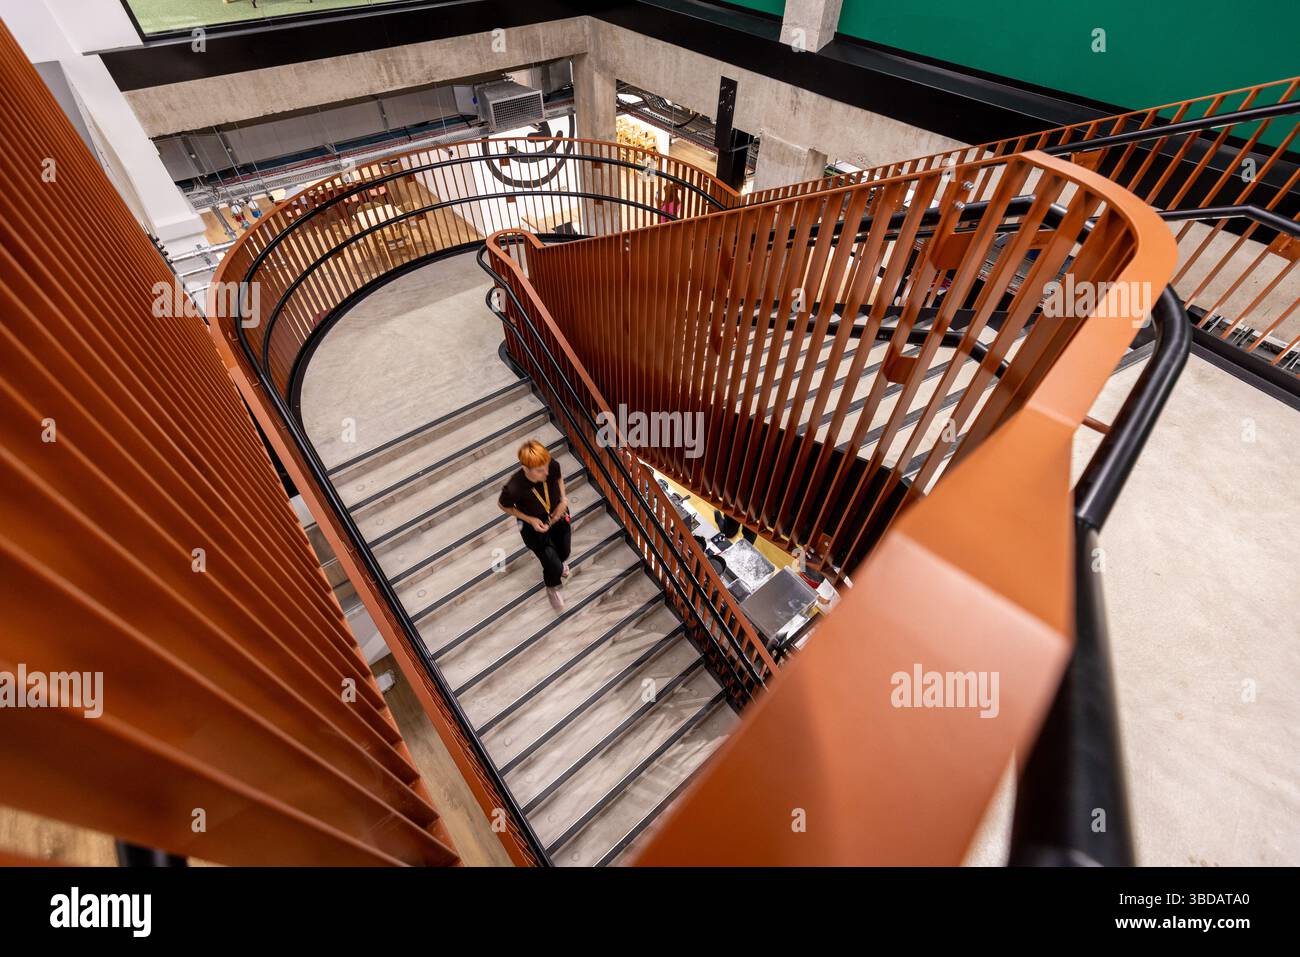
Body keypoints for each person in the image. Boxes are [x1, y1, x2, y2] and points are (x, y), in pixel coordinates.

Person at [498, 440, 572, 611]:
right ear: (526, 468)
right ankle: (552, 587)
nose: (546, 473)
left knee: (564, 551)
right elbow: (503, 505)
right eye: (540, 471)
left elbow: (558, 477)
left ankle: (560, 565)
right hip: (534, 525)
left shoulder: (550, 465)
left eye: (546, 466)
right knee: (551, 564)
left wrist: (563, 499)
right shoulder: (514, 487)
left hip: (558, 513)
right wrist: (529, 519)